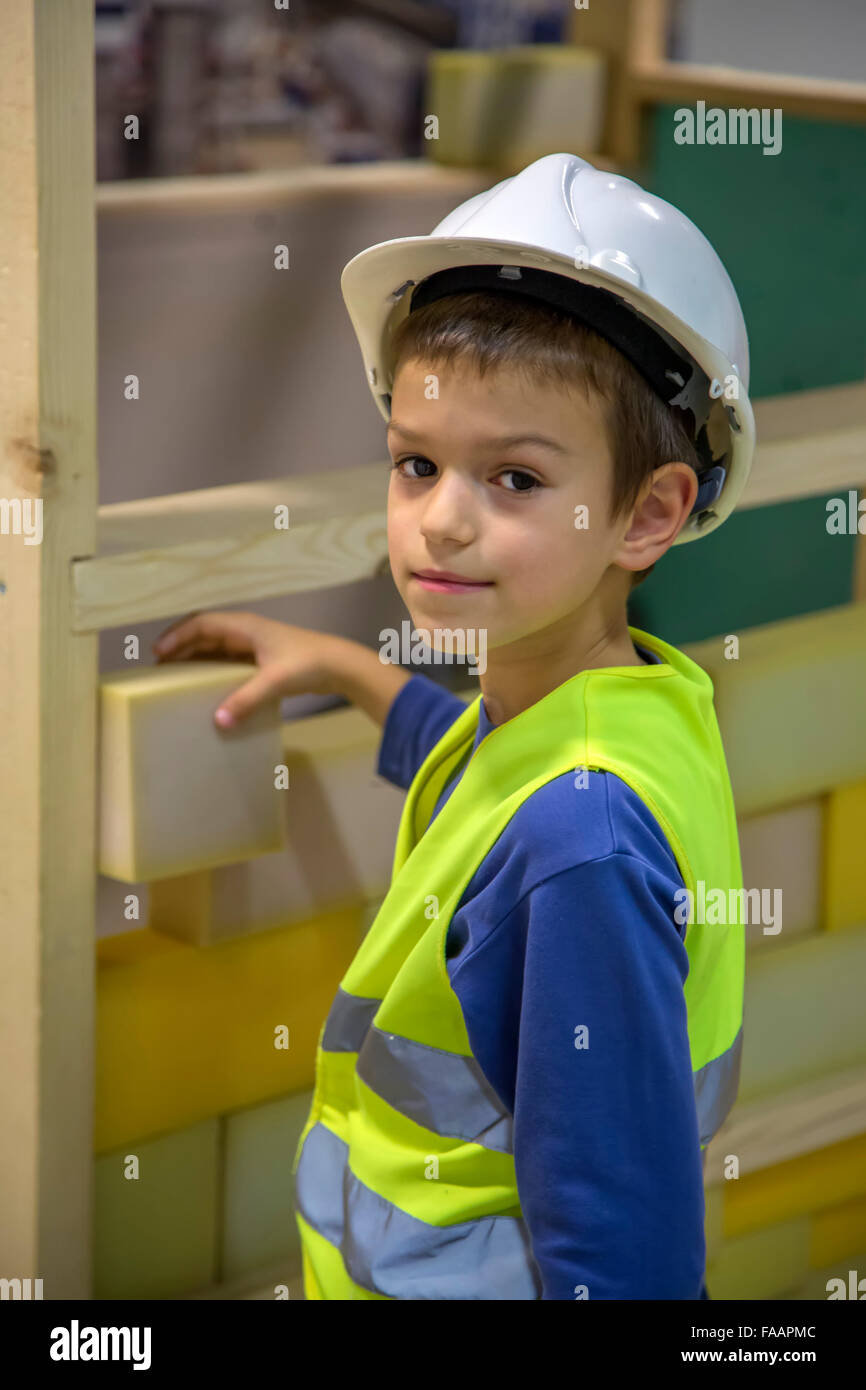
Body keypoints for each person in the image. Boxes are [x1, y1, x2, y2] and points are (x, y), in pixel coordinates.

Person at [154, 152, 753, 1299]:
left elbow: (624, 1253)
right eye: (416, 464)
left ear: (647, 512)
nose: (441, 520)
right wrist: (341, 666)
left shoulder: (581, 849)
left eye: (514, 480)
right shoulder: (628, 704)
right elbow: (484, 764)